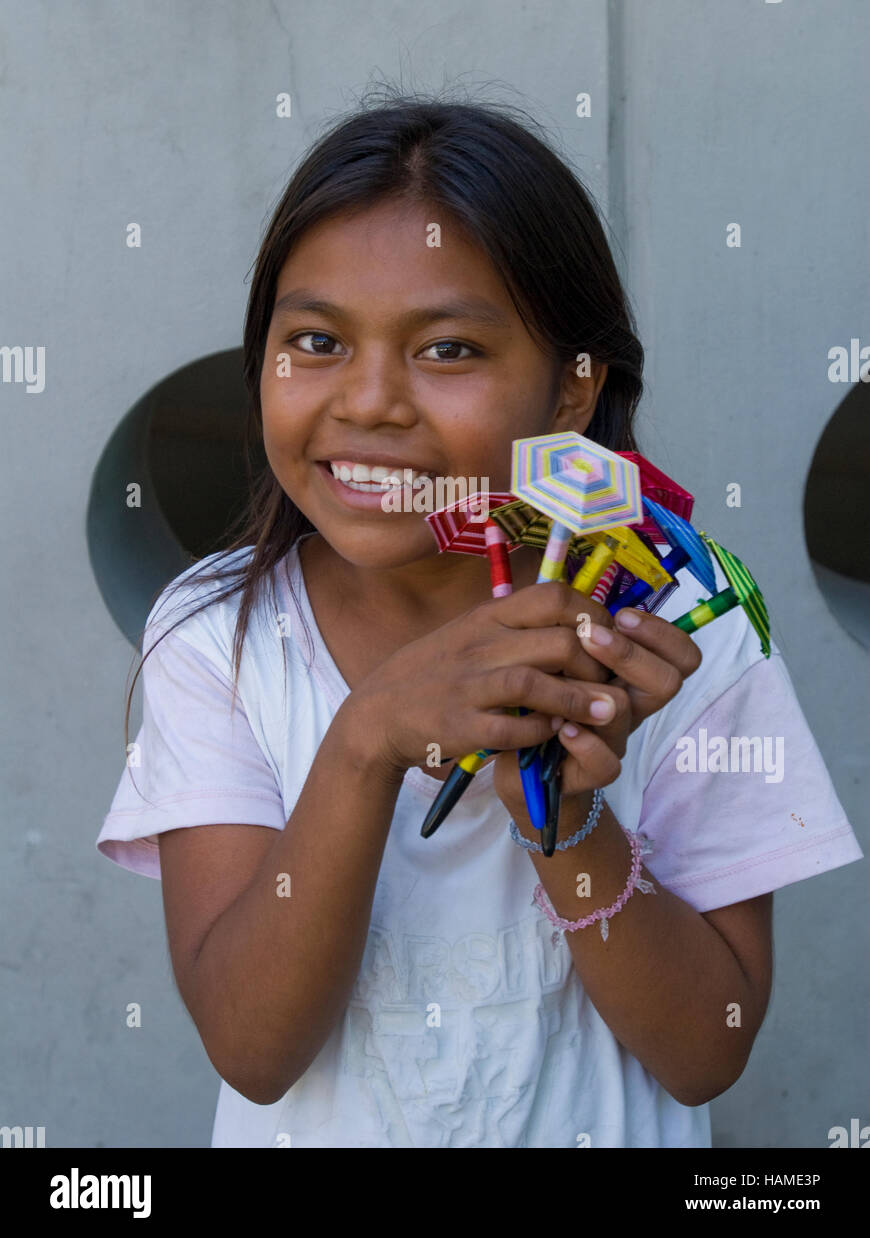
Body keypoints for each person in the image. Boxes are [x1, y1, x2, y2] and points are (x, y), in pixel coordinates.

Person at [96, 94, 862, 1148]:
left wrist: (565, 817)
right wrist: (366, 739)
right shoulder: (215, 632)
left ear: (571, 390)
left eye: (447, 350)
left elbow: (706, 1050)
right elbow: (253, 1046)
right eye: (315, 339)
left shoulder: (680, 625)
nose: (368, 402)